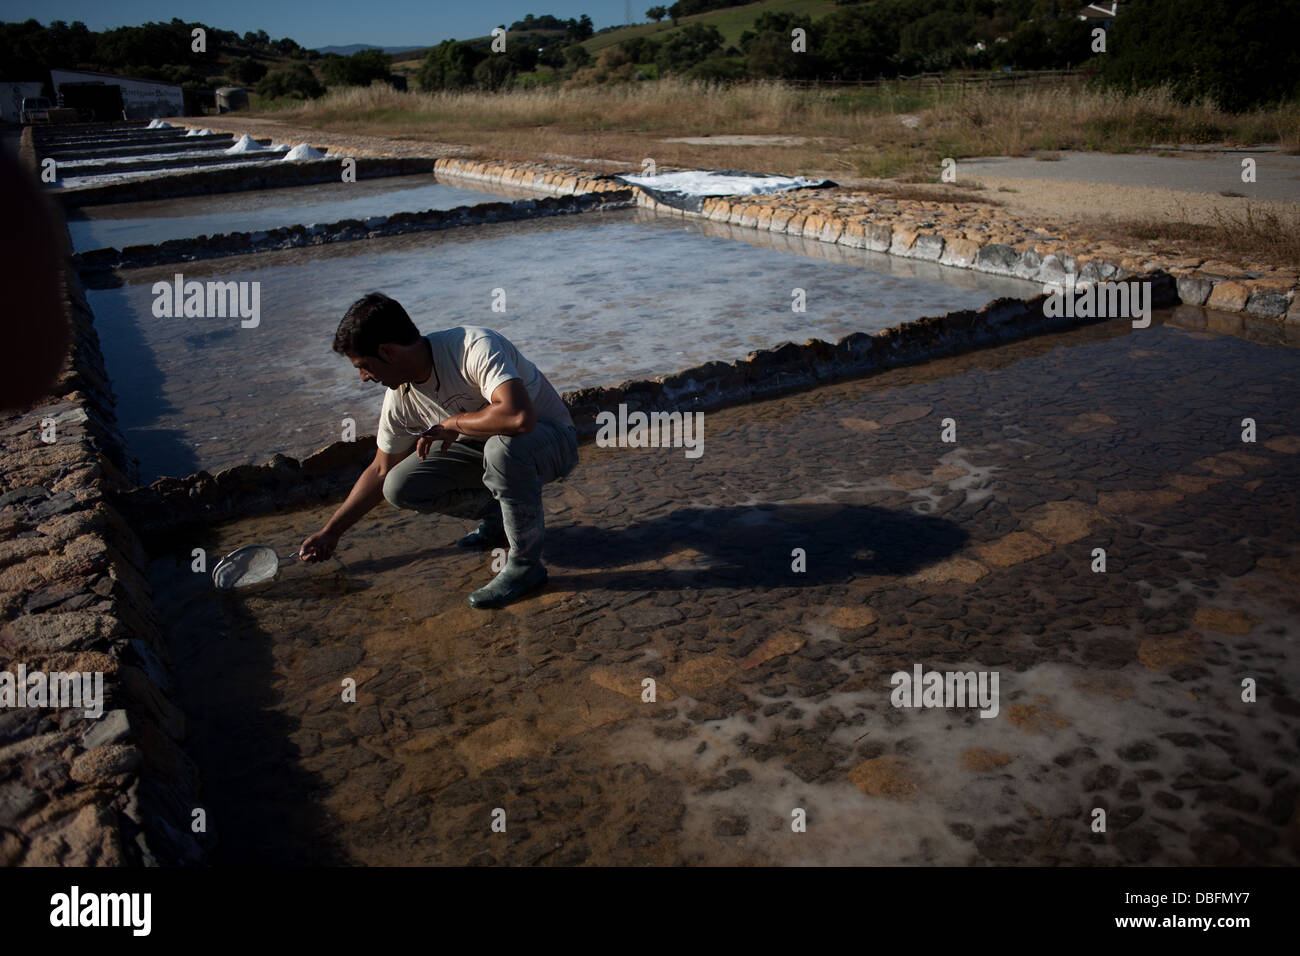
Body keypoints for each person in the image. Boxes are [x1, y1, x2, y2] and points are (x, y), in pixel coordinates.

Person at [299, 292, 579, 609]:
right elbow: (380, 470)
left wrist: (454, 423)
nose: (363, 378)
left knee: (503, 450)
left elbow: (517, 417)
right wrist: (330, 532)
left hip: (553, 440)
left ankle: (526, 565)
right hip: (489, 452)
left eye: (363, 367)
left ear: (388, 352)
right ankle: (498, 517)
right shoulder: (401, 400)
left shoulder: (471, 345)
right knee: (399, 485)